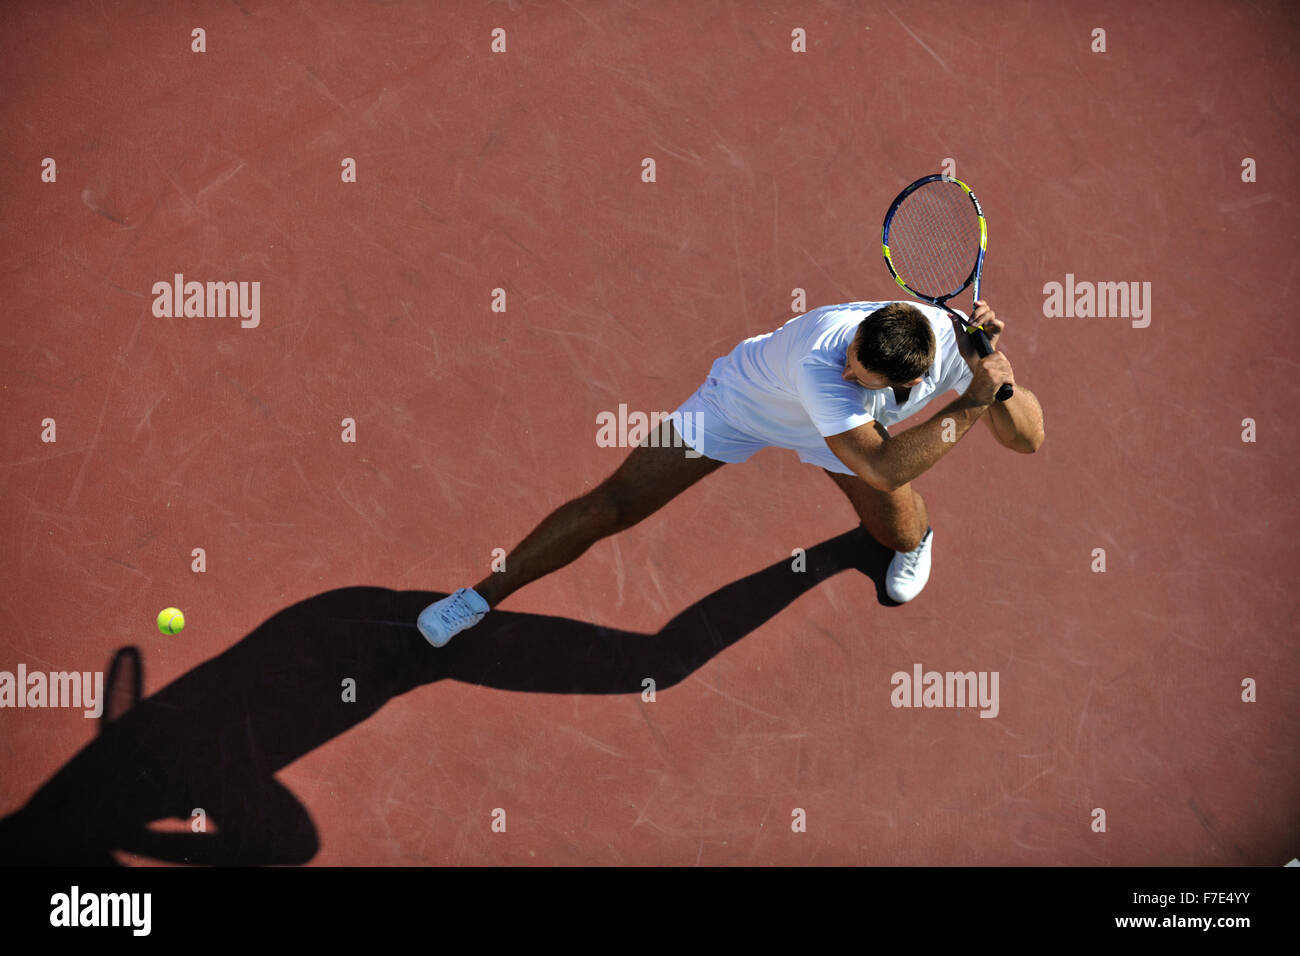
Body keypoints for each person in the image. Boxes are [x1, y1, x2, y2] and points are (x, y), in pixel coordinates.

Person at [418, 299, 1044, 647]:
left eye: (862, 375)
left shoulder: (950, 346)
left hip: (850, 439)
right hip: (742, 407)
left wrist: (1000, 382)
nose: (846, 370)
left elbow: (1030, 440)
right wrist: (970, 404)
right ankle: (476, 599)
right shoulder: (825, 360)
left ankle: (919, 541)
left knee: (897, 535)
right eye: (851, 357)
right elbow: (880, 467)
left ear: (910, 379)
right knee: (614, 503)